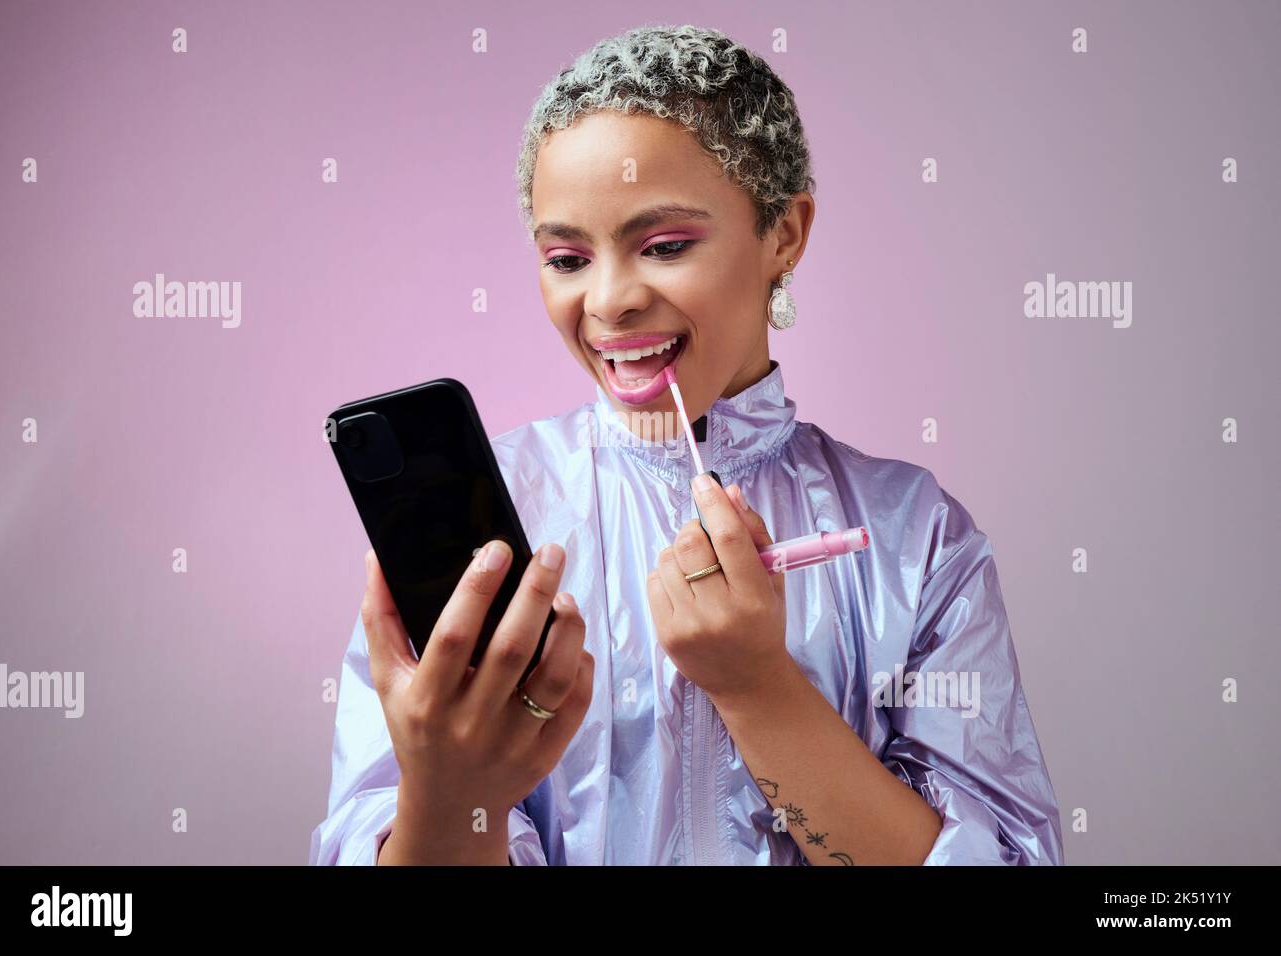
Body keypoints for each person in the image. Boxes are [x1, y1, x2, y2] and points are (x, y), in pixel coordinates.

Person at [309, 24, 1064, 866]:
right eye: (566, 257)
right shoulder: (491, 522)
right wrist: (450, 796)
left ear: (784, 233)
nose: (609, 301)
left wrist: (759, 687)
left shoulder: (915, 536)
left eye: (664, 246)